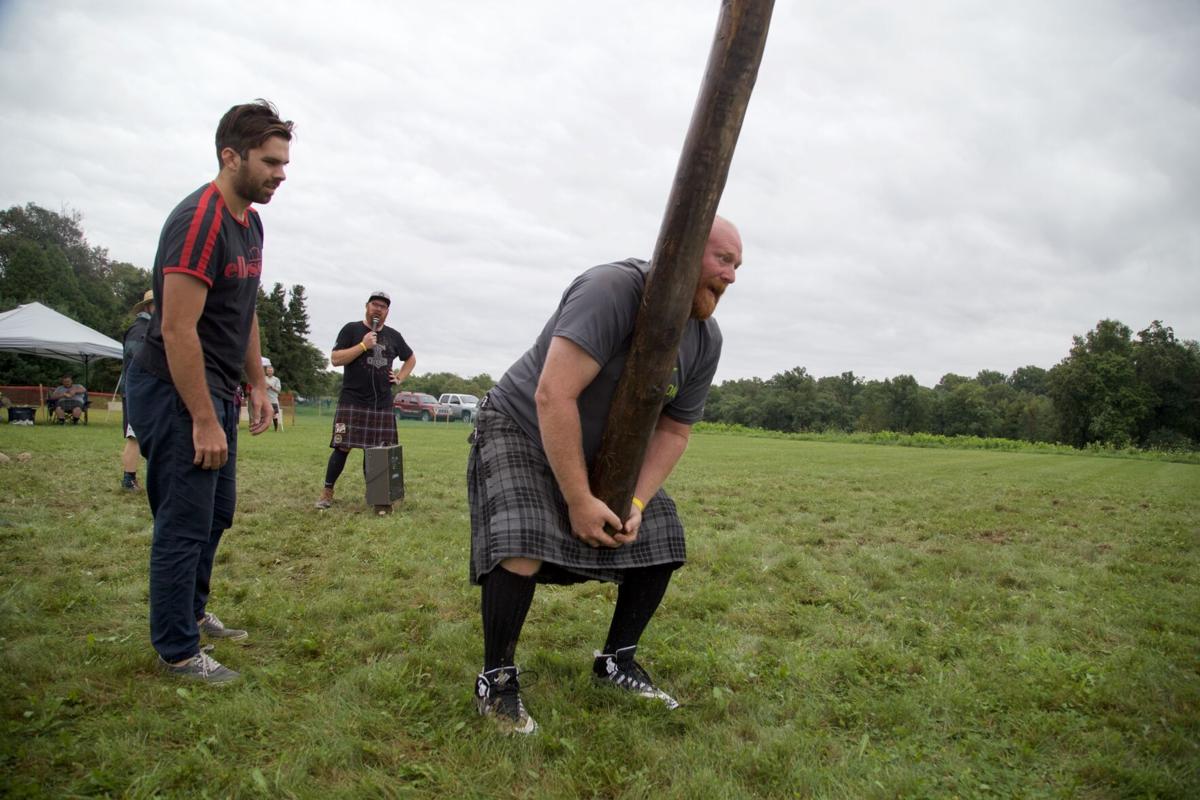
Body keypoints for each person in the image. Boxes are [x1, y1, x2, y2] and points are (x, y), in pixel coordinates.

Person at [469, 216, 743, 734]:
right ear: (681, 250)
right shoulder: (613, 289)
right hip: (521, 422)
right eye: (722, 260)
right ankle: (497, 679)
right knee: (523, 534)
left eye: (737, 266)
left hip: (606, 448)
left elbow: (675, 430)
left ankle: (616, 661)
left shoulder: (705, 339)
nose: (730, 277)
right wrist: (577, 497)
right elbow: (554, 394)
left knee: (661, 535)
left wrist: (635, 503)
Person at [126, 99, 293, 684]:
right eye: (270, 162)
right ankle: (176, 649)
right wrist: (202, 417)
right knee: (185, 520)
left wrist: (256, 385)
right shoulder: (200, 221)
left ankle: (192, 612)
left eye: (284, 163)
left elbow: (243, 312)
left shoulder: (250, 222)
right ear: (231, 156)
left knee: (216, 513)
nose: (280, 174)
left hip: (219, 386)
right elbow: (175, 327)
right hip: (176, 389)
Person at [315, 291, 416, 514]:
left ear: (387, 312)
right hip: (352, 401)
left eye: (383, 306)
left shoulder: (394, 336)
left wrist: (399, 377)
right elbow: (335, 359)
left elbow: (411, 358)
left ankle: (377, 496)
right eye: (375, 305)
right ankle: (327, 492)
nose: (378, 309)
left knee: (377, 452)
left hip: (381, 403)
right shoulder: (351, 330)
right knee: (342, 447)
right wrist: (362, 346)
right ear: (366, 307)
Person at [120, 290, 154, 490]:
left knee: (144, 436)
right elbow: (139, 359)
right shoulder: (139, 329)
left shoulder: (150, 328)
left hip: (146, 390)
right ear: (148, 306)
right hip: (138, 391)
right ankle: (129, 478)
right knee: (135, 436)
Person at [264, 365, 282, 431]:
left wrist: (271, 387)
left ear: (273, 371)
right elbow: (261, 388)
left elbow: (278, 390)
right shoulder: (264, 378)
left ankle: (276, 429)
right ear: (266, 371)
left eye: (271, 371)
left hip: (274, 400)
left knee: (274, 415)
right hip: (265, 400)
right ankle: (264, 428)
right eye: (268, 371)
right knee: (265, 414)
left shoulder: (276, 379)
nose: (269, 372)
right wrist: (266, 387)